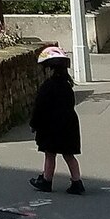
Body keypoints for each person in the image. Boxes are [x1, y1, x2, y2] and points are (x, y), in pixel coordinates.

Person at [29, 45, 84, 194]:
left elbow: (40, 108)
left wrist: (34, 124)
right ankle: (76, 181)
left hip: (51, 126)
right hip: (69, 124)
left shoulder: (48, 86)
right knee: (68, 154)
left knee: (50, 154)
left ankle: (47, 180)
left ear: (49, 69)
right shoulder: (67, 85)